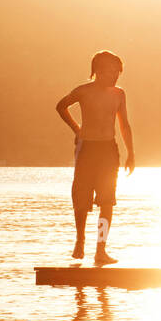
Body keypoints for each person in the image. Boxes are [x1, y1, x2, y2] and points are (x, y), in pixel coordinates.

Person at [55, 50, 136, 265]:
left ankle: (101, 249)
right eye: (111, 71)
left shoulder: (119, 94)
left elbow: (124, 125)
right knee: (82, 199)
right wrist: (77, 129)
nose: (115, 76)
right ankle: (80, 240)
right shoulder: (83, 91)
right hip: (87, 148)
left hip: (108, 150)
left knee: (107, 201)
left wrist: (131, 153)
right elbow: (61, 106)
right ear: (98, 71)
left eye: (118, 72)